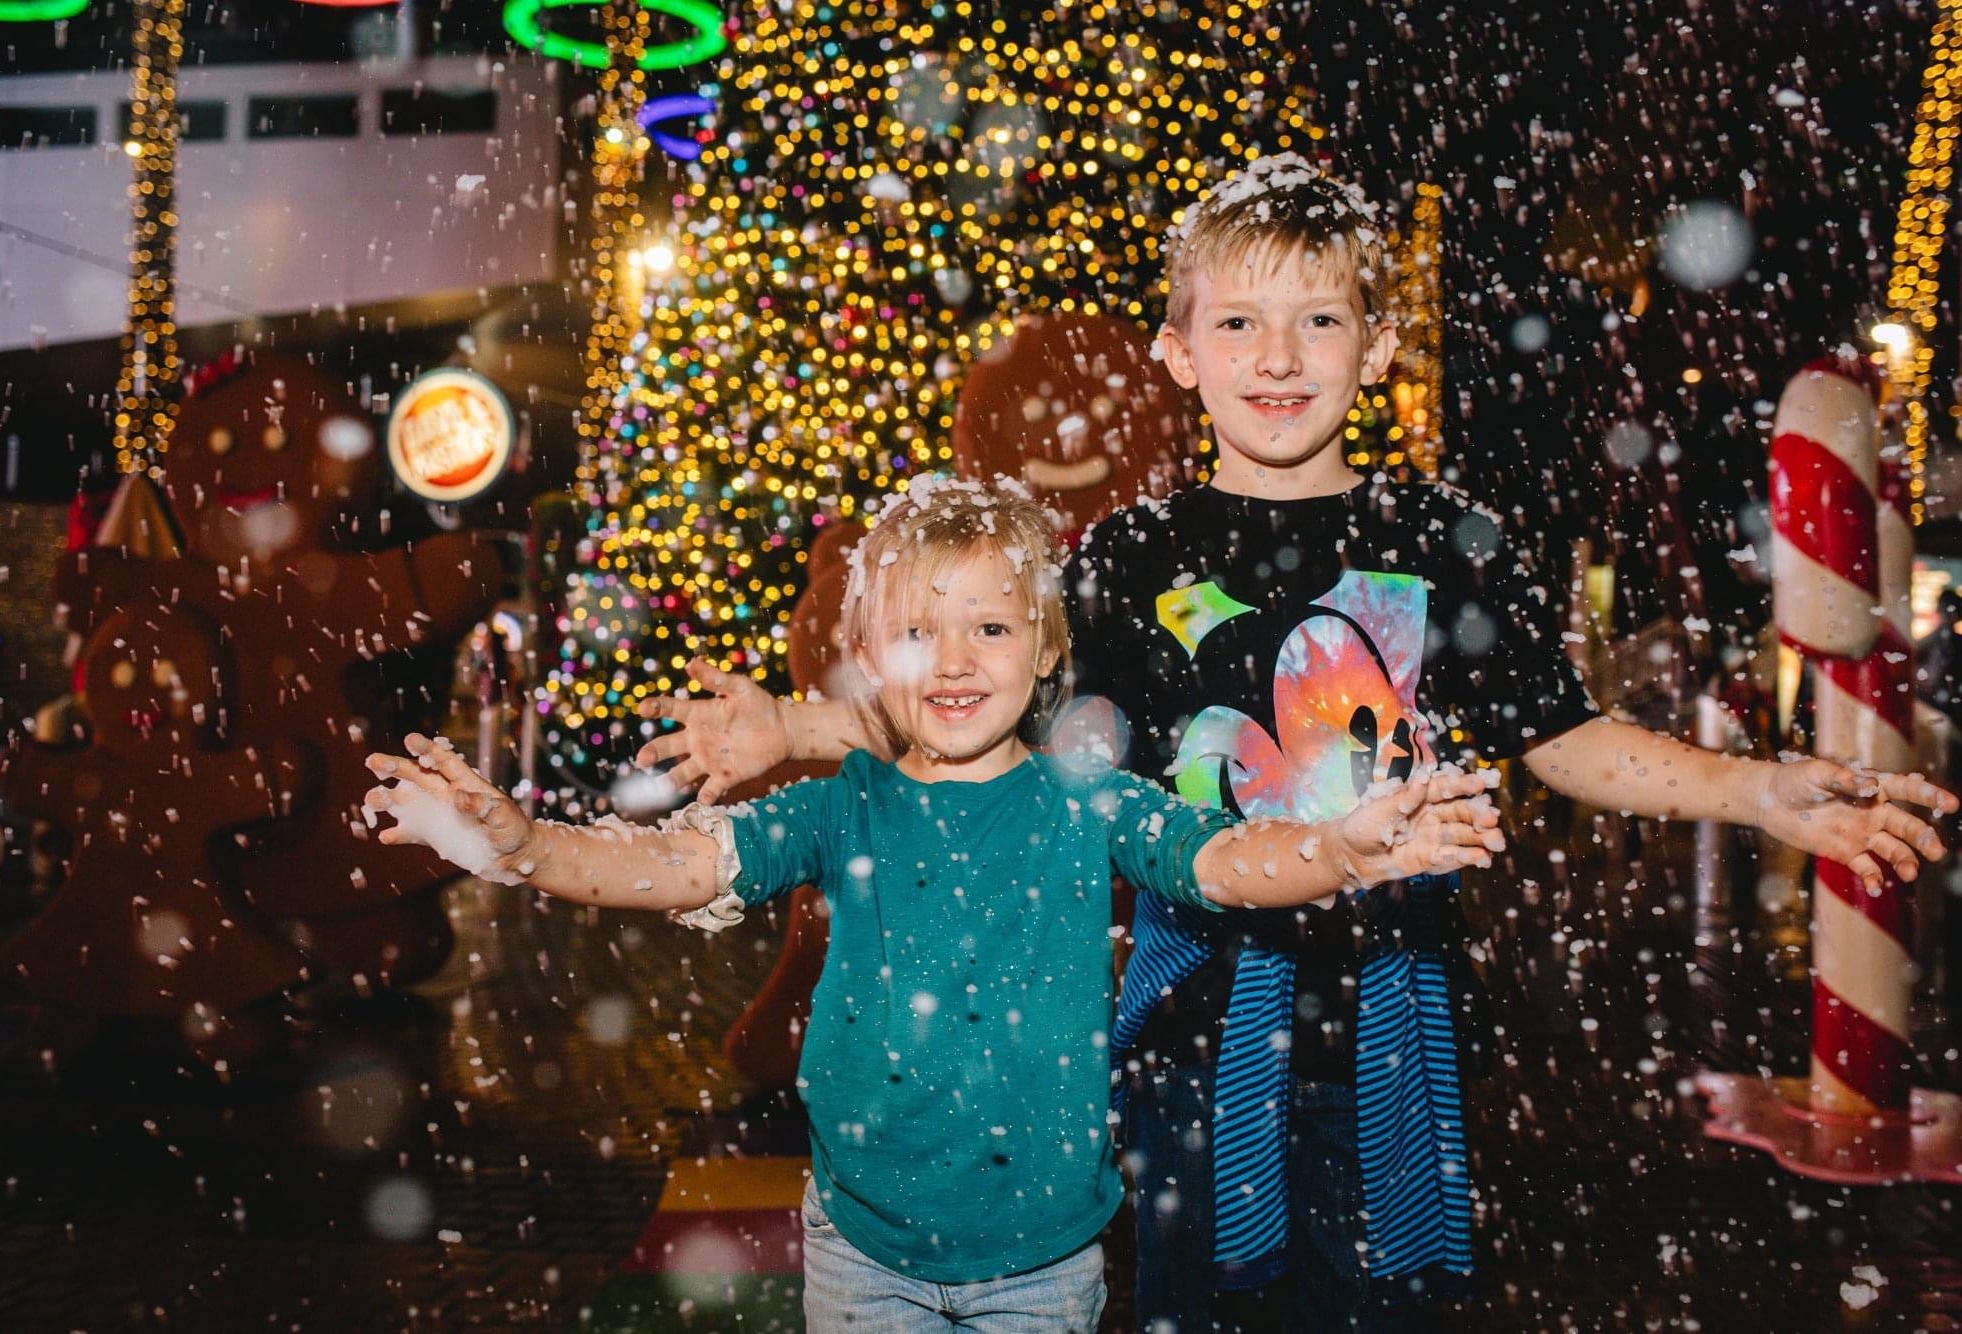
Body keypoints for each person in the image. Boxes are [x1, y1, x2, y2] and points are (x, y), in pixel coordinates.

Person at [628, 152, 1959, 1332]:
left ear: (1377, 344)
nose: (1279, 356)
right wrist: (792, 722)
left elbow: (1567, 736)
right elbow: (967, 702)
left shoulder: (1443, 538)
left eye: (1319, 319)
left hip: (1392, 1027)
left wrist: (1767, 791)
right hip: (1190, 1037)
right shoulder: (1127, 560)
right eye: (1242, 320)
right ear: (1178, 349)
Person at [364, 477, 1506, 1333]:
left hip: (1043, 1265)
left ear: (1045, 645)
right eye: (916, 631)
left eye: (990, 628)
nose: (953, 661)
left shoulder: (1088, 800)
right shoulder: (837, 807)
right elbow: (673, 865)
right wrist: (516, 844)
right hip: (861, 1253)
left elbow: (1221, 863)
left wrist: (1342, 845)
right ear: (863, 654)